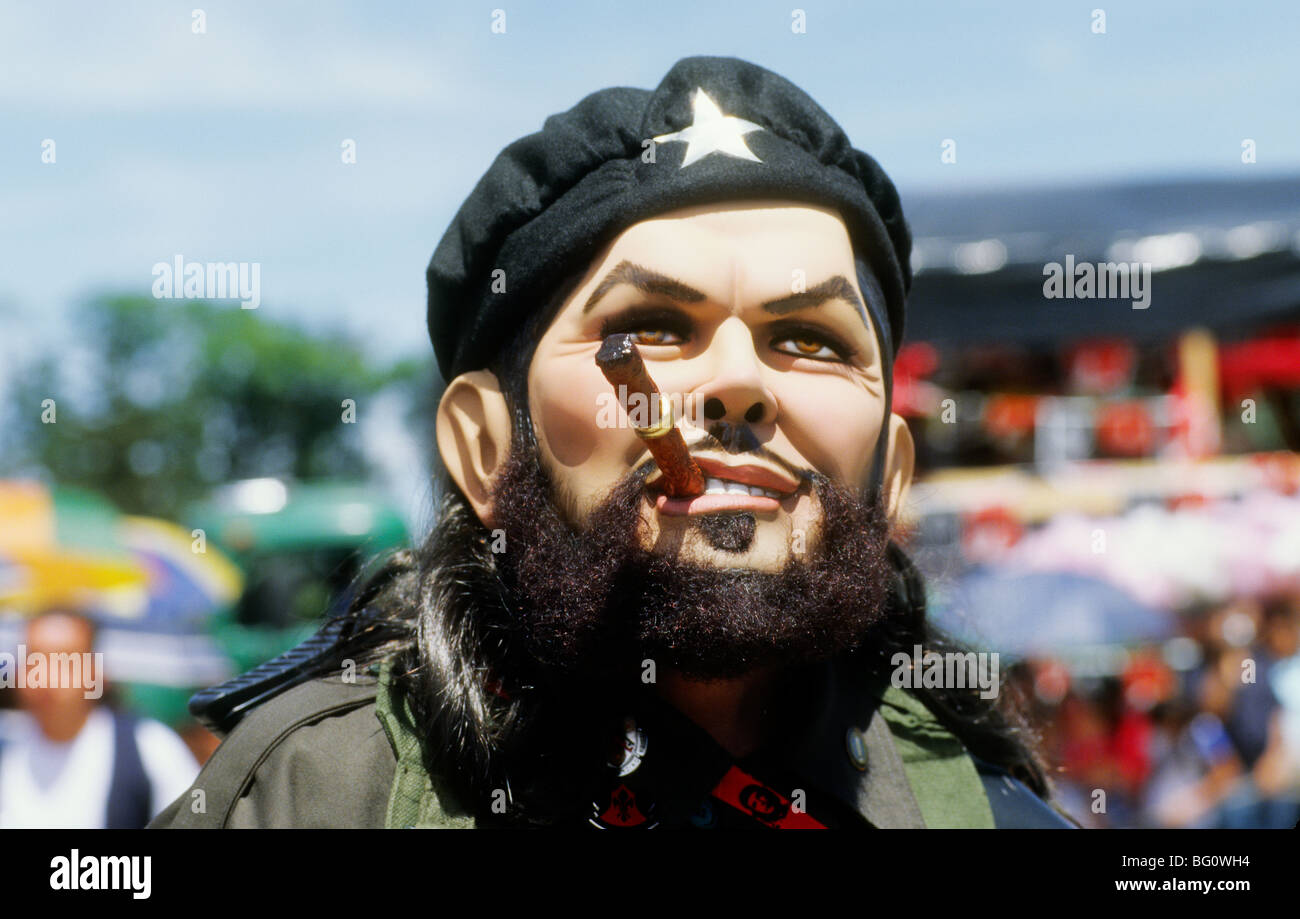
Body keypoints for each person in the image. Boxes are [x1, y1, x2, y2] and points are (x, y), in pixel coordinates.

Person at [153, 56, 1073, 829]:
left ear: (891, 477)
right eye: (651, 327)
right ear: (483, 447)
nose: (738, 384)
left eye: (811, 341)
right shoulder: (312, 798)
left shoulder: (993, 814)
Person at [0, 610, 199, 828]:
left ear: (95, 671)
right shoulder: (7, 744)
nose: (45, 677)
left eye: (64, 661)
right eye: (34, 660)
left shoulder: (149, 746)